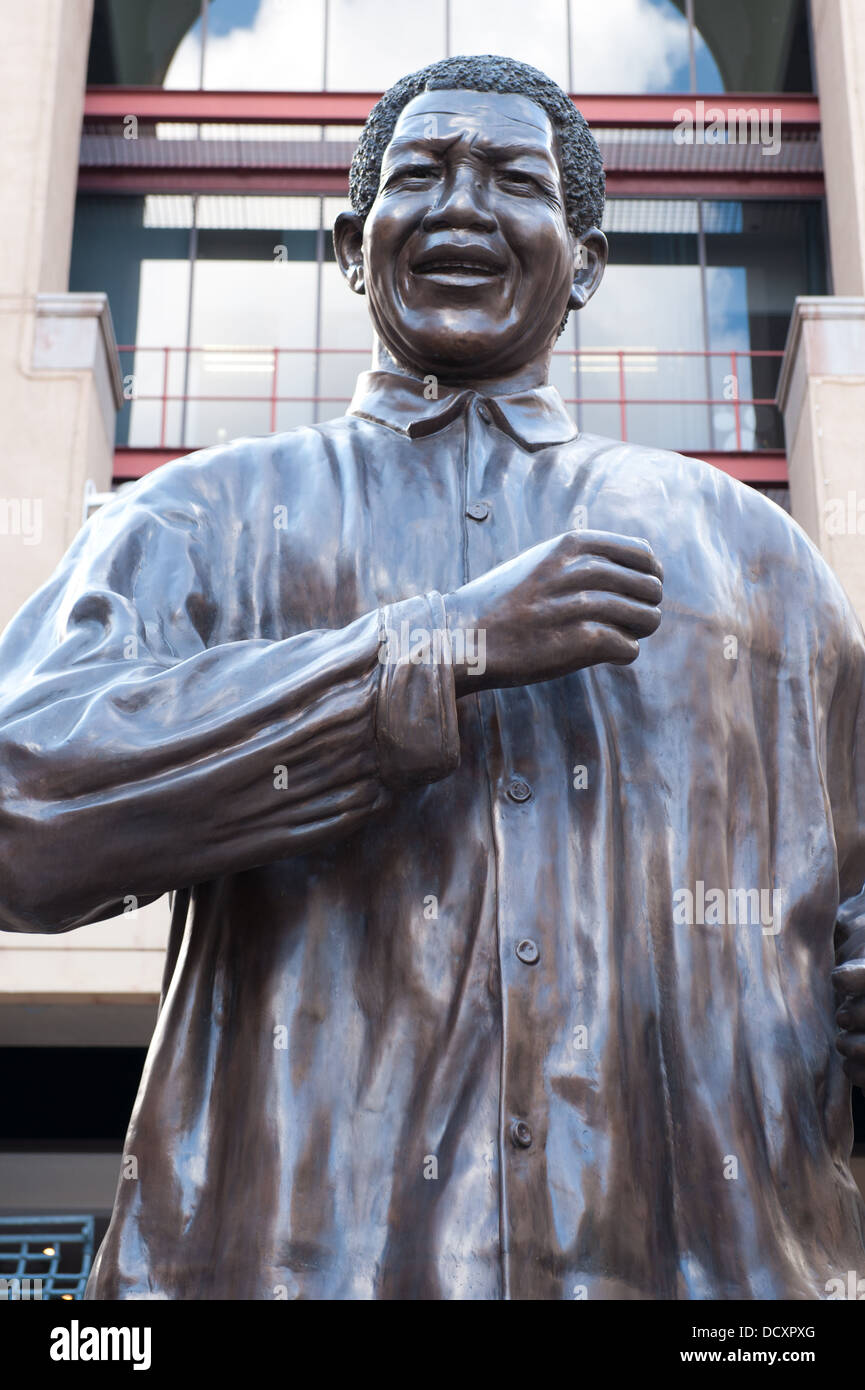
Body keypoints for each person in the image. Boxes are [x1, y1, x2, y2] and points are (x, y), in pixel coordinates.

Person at [1, 53, 864, 1300]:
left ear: (588, 262)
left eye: (512, 180)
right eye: (423, 174)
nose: (463, 207)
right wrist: (432, 651)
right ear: (357, 247)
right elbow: (26, 809)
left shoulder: (757, 563)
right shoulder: (203, 517)